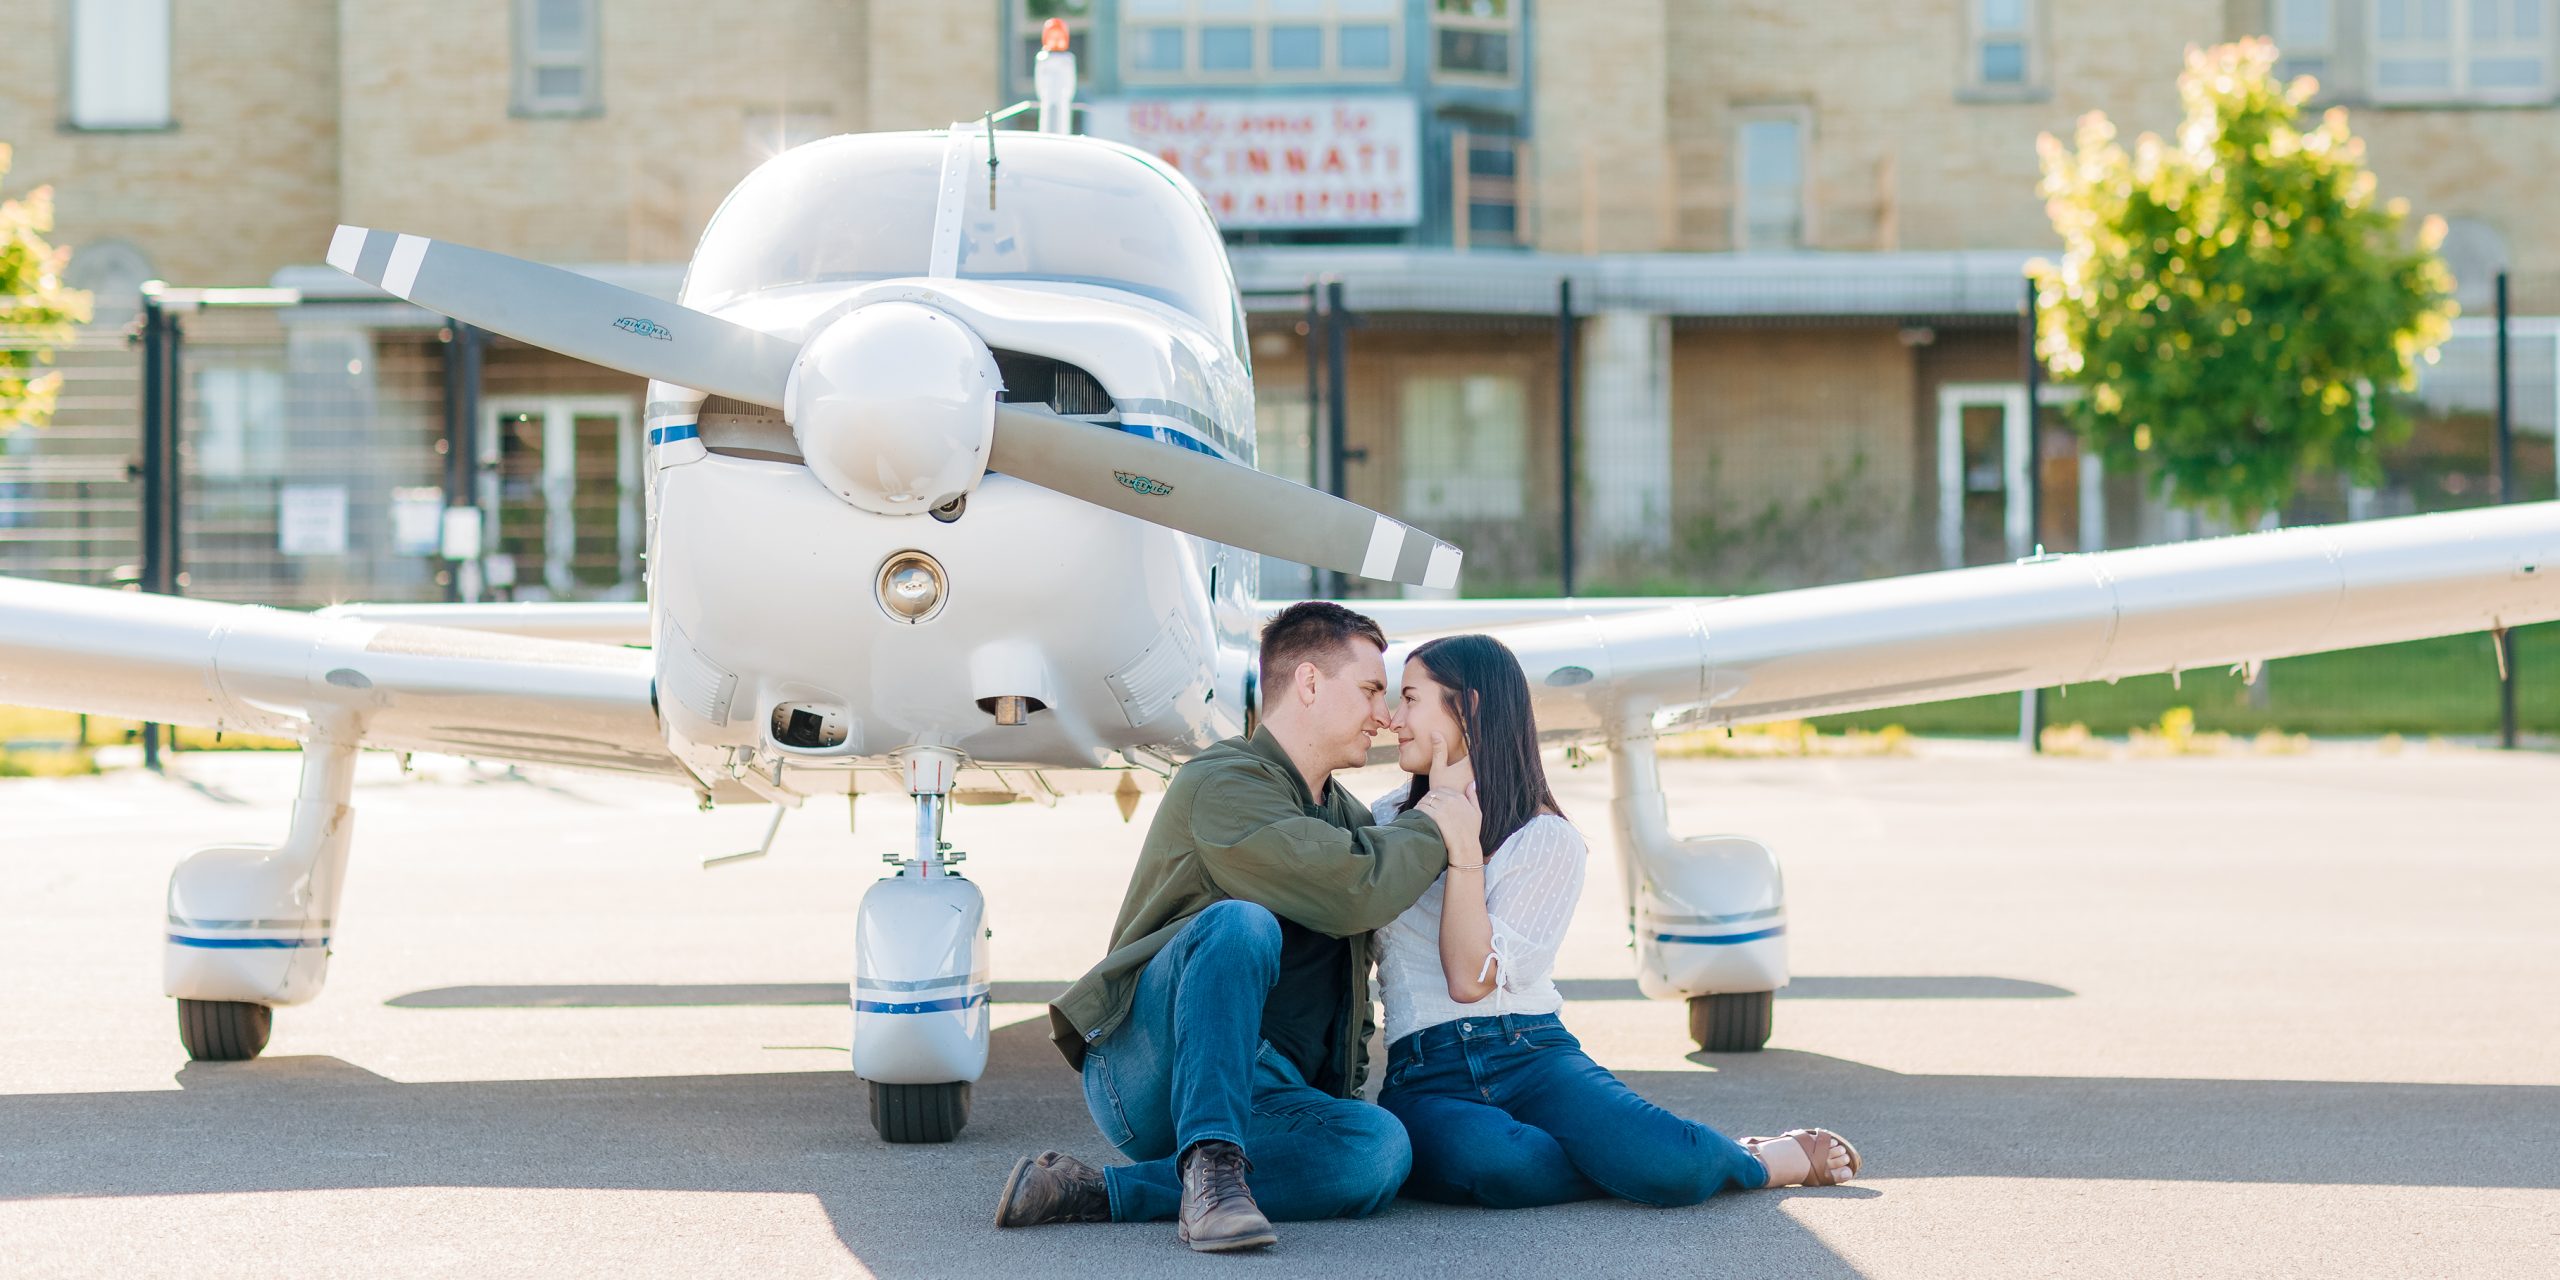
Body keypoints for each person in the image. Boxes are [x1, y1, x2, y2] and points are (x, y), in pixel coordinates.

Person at [994, 602, 1479, 1252]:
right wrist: (1438, 815)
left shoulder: (1354, 820)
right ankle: (1211, 1167)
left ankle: (1104, 1191)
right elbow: (1353, 891)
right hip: (1150, 1071)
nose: (1384, 716)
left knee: (1380, 1149)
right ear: (1308, 683)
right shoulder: (1220, 784)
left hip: (1271, 1092)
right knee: (1238, 926)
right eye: (1369, 691)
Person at [1370, 633, 1862, 1209]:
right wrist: (1443, 819)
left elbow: (1471, 979)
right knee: (1499, 1165)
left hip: (1531, 1054)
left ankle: (1750, 1158)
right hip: (1425, 1076)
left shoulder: (1546, 838)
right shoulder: (1384, 822)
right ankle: (1625, 1159)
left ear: (1469, 706)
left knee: (1668, 1168)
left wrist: (1462, 843)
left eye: (1410, 698)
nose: (1392, 719)